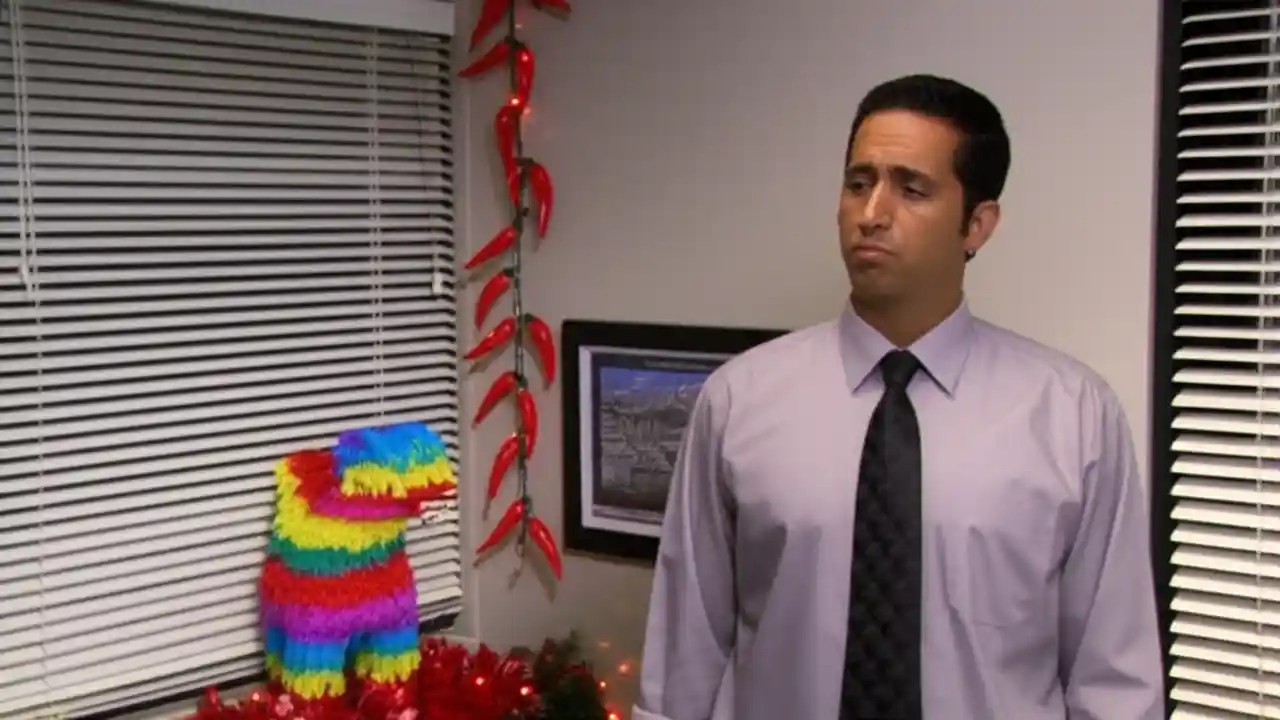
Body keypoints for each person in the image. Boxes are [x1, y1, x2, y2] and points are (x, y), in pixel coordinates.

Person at [632, 74, 1164, 720]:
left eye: (911, 189)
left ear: (978, 224)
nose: (872, 213)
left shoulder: (1074, 417)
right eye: (859, 183)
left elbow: (1114, 682)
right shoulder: (738, 403)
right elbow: (684, 654)